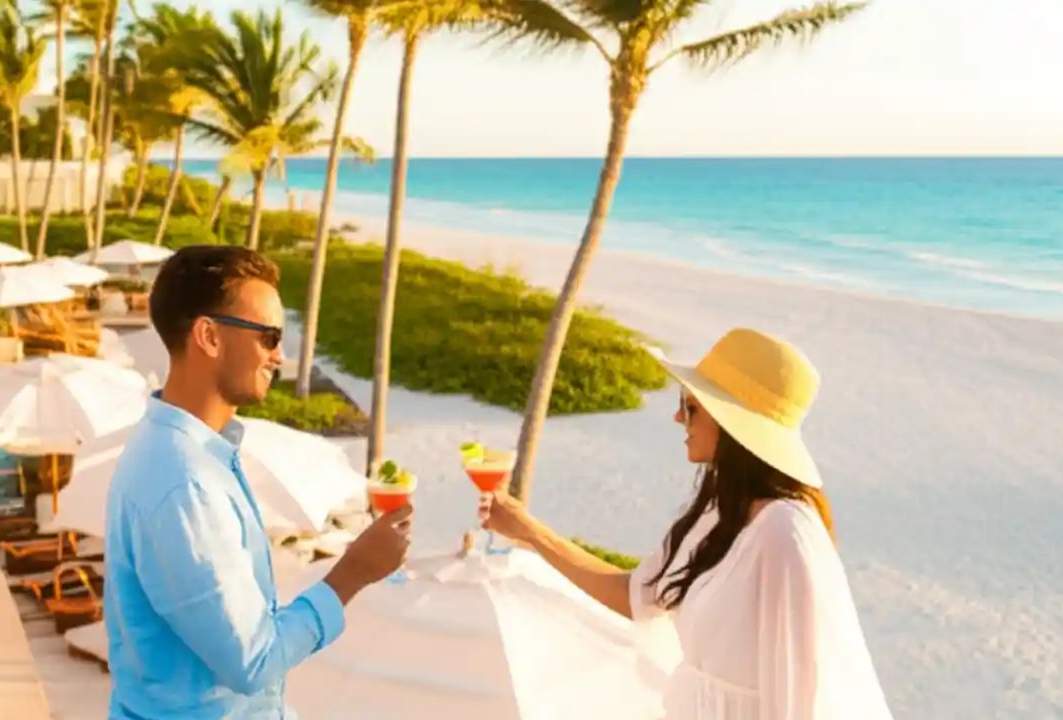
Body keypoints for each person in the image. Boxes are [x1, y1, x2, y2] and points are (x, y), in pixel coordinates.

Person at [481, 328, 892, 719]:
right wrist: (529, 531)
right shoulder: (719, 513)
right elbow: (637, 596)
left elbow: (807, 698)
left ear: (732, 424)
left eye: (691, 406)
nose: (678, 417)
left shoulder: (784, 532)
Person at [103, 245, 412, 720]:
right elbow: (253, 660)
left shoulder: (193, 452)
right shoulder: (184, 482)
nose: (279, 356)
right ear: (208, 335)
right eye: (268, 336)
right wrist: (354, 572)